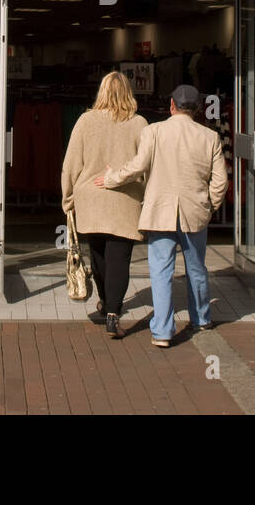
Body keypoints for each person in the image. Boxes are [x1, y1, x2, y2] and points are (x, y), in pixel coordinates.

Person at [96, 84, 226, 347]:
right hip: (195, 213)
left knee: (160, 270)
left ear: (171, 105)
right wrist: (209, 206)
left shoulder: (153, 131)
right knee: (197, 268)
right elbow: (220, 182)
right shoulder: (209, 137)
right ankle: (201, 318)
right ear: (198, 109)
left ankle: (163, 331)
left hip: (160, 212)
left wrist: (112, 178)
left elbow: (137, 167)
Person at [61, 71, 147, 339]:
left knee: (98, 258)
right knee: (119, 259)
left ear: (101, 92)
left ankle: (103, 302)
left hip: (91, 200)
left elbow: (71, 164)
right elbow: (145, 165)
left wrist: (68, 198)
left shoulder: (85, 121)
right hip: (125, 201)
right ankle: (113, 313)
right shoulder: (139, 124)